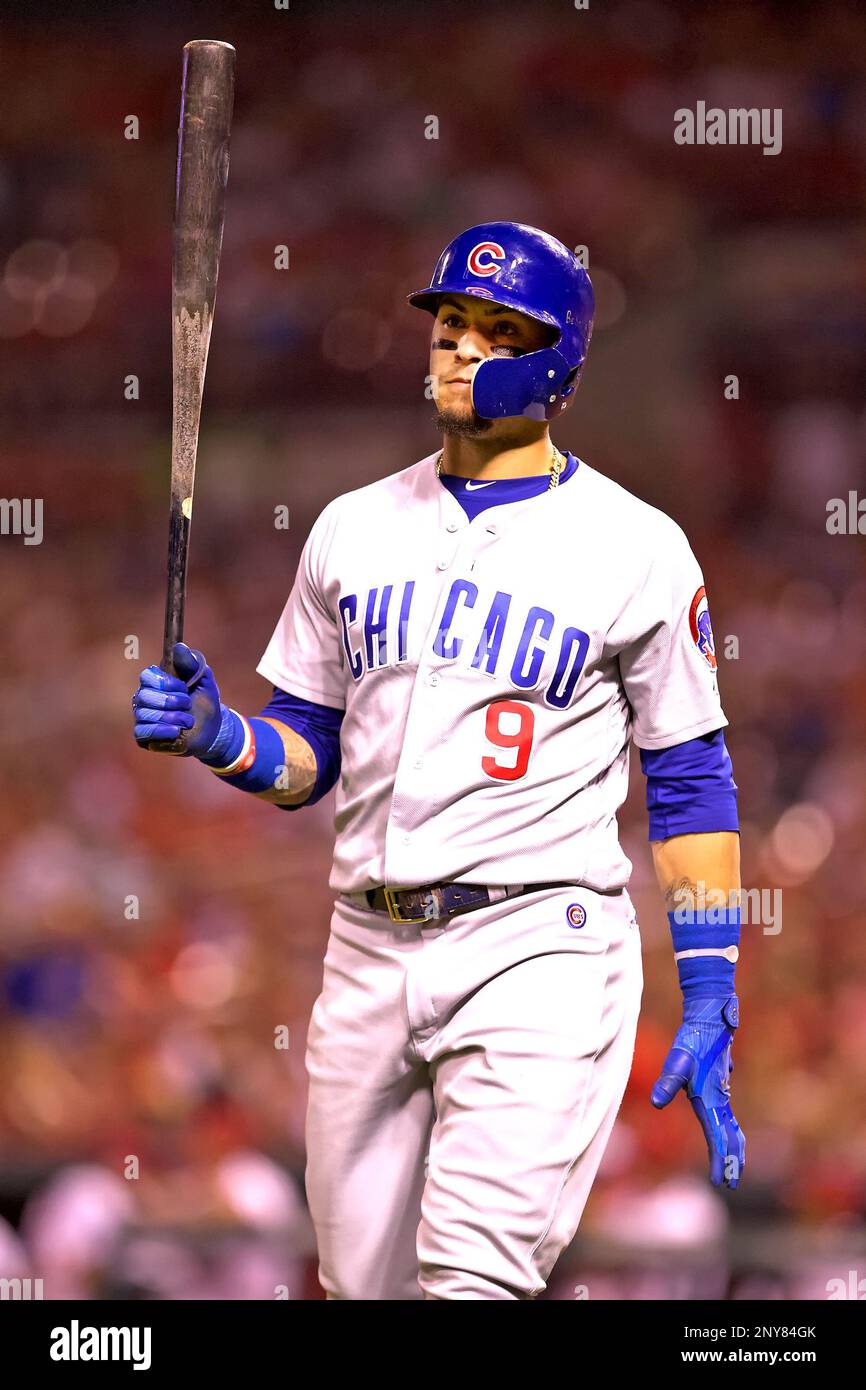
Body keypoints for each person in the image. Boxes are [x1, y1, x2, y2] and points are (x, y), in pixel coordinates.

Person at [132, 221, 744, 1301]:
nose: (457, 345)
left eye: (494, 328)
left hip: (538, 941)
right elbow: (305, 757)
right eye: (449, 321)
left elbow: (690, 780)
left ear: (555, 358)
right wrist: (219, 737)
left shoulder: (637, 545)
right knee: (360, 1284)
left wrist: (708, 986)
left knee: (470, 1280)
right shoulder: (350, 528)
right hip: (365, 945)